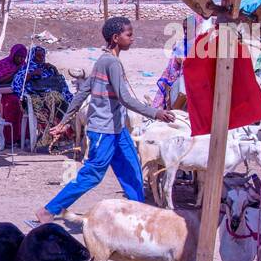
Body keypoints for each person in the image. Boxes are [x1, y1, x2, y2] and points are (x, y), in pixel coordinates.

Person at [37, 17, 173, 222]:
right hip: (103, 130)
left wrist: (65, 120)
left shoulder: (102, 60)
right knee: (92, 174)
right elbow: (124, 98)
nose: (133, 38)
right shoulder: (111, 63)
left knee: (132, 169)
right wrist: (156, 113)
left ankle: (139, 214)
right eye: (129, 35)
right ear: (116, 38)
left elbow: (82, 92)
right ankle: (49, 210)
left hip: (118, 130)